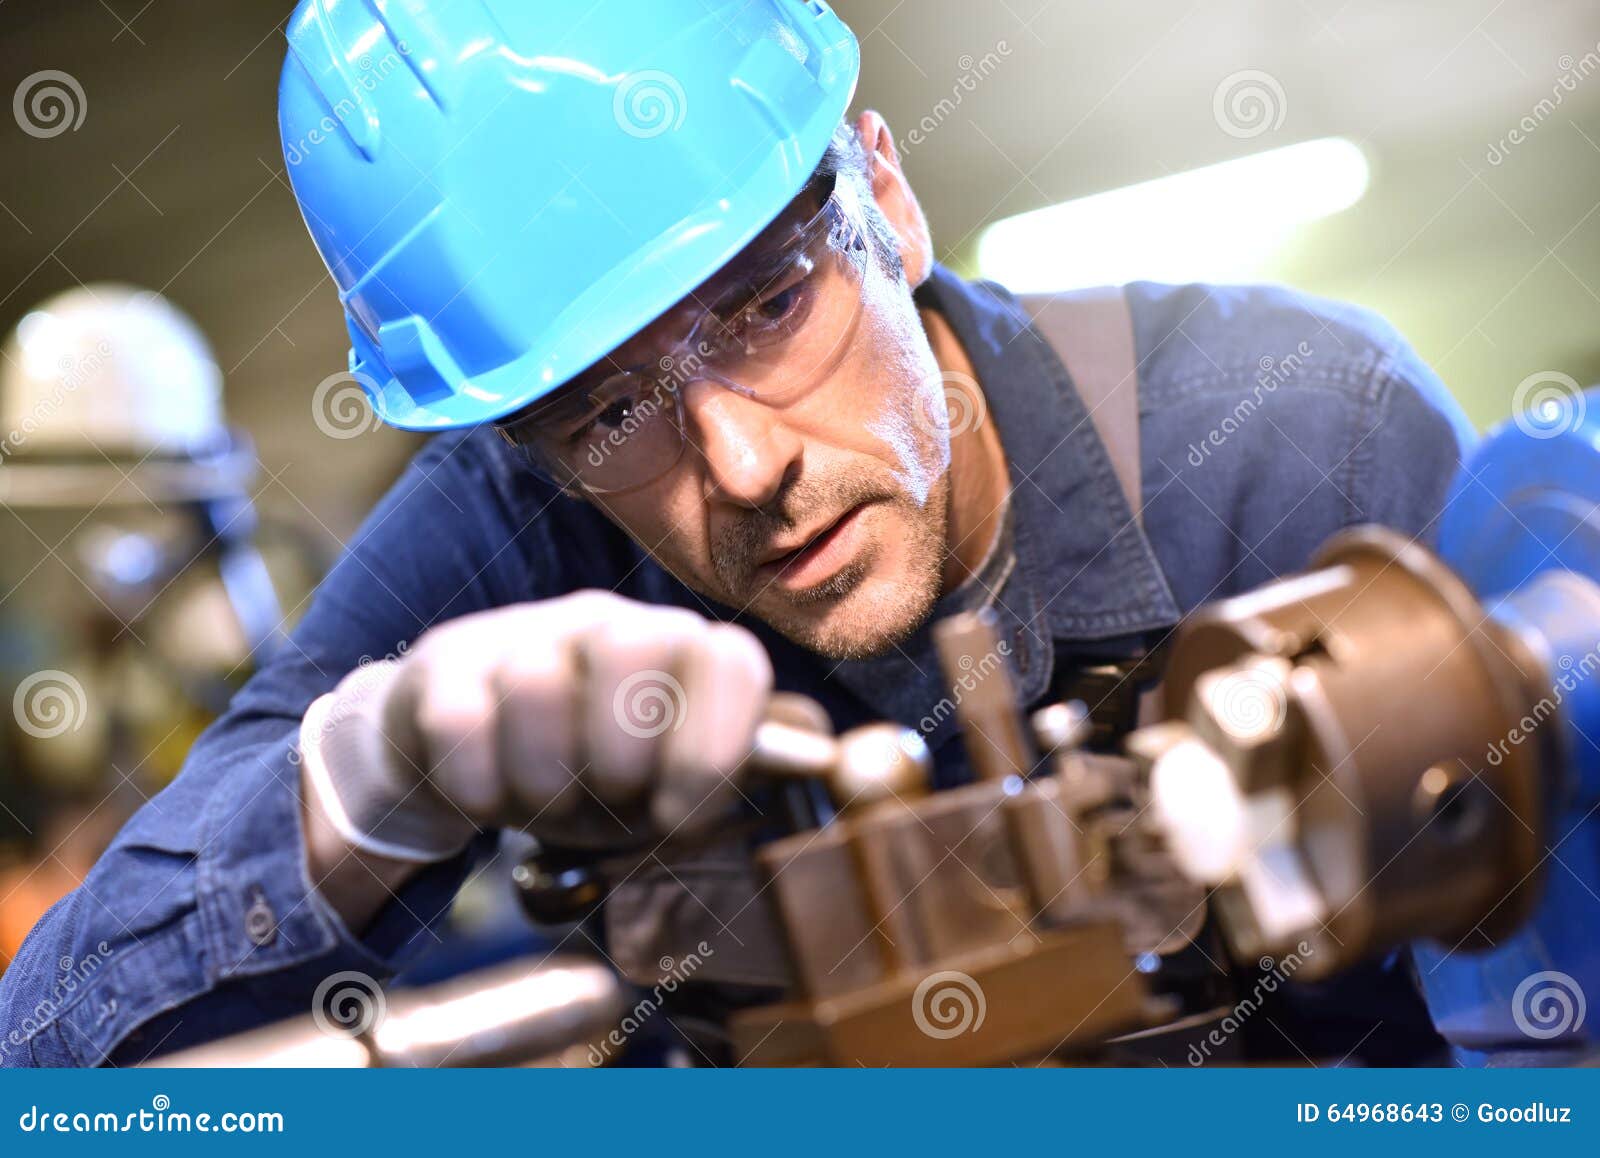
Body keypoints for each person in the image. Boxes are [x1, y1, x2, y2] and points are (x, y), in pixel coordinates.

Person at [0, 0, 1473, 1066]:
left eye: (768, 305)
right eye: (606, 413)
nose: (746, 462)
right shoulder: (515, 524)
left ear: (884, 197)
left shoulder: (1299, 444)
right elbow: (48, 1060)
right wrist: (374, 776)